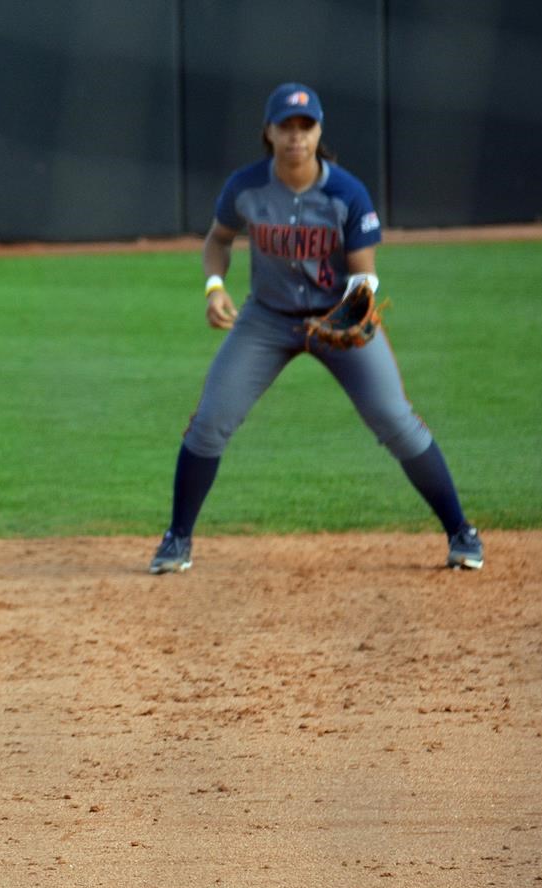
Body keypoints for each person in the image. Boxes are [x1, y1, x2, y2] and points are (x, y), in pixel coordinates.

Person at [150, 81, 484, 575]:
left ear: (319, 131)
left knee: (394, 418)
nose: (296, 136)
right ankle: (177, 539)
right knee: (210, 421)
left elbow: (363, 269)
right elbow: (217, 240)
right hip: (266, 320)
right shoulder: (245, 187)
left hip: (336, 315)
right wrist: (214, 286)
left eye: (305, 126)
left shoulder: (346, 192)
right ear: (268, 131)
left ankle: (461, 532)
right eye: (286, 125)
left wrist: (352, 313)